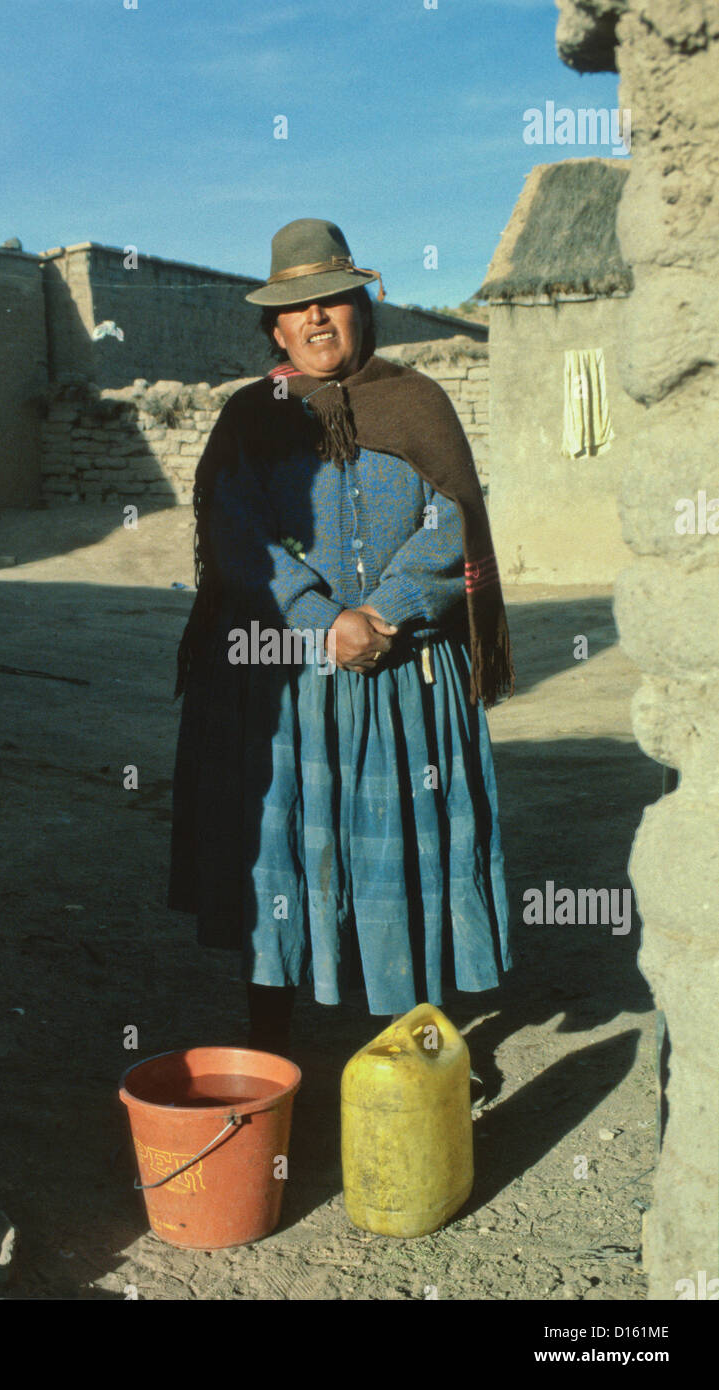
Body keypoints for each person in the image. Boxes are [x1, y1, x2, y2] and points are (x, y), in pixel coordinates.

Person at [168, 218, 514, 1056]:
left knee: (405, 848)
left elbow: (452, 522)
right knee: (282, 851)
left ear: (363, 309)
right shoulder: (252, 420)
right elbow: (235, 537)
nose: (318, 320)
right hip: (284, 681)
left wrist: (382, 613)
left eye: (334, 302)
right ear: (276, 330)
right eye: (298, 309)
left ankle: (413, 1040)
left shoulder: (418, 403)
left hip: (404, 674)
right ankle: (269, 1043)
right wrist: (324, 623)